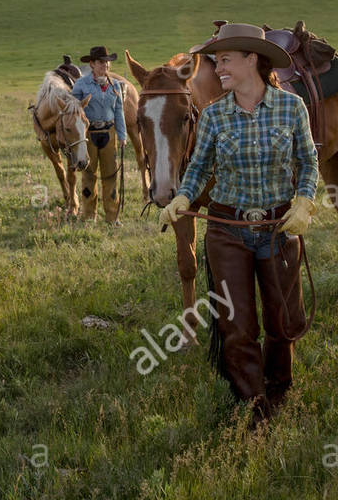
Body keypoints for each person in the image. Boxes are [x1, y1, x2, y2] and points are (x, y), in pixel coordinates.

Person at [160, 23, 318, 422]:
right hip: (227, 230)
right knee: (237, 326)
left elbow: (307, 160)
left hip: (279, 228)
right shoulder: (214, 115)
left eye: (225, 60)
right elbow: (199, 167)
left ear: (253, 60)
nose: (217, 68)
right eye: (215, 60)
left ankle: (280, 389)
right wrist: (182, 195)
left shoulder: (291, 108)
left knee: (283, 322)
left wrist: (304, 201)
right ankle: (254, 406)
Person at [69, 46, 127, 224]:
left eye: (107, 62)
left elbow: (119, 111)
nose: (106, 65)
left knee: (111, 174)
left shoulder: (115, 85)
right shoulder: (81, 85)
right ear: (92, 64)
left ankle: (112, 217)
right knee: (88, 174)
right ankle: (89, 216)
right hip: (89, 133)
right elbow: (73, 110)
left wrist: (122, 134)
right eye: (101, 62)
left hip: (109, 133)